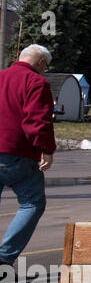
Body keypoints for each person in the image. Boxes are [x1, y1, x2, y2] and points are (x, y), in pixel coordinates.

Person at [0, 45, 55, 267]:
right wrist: (47, 149)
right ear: (41, 63)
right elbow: (37, 121)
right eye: (46, 66)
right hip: (17, 153)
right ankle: (4, 258)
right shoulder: (36, 82)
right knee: (32, 203)